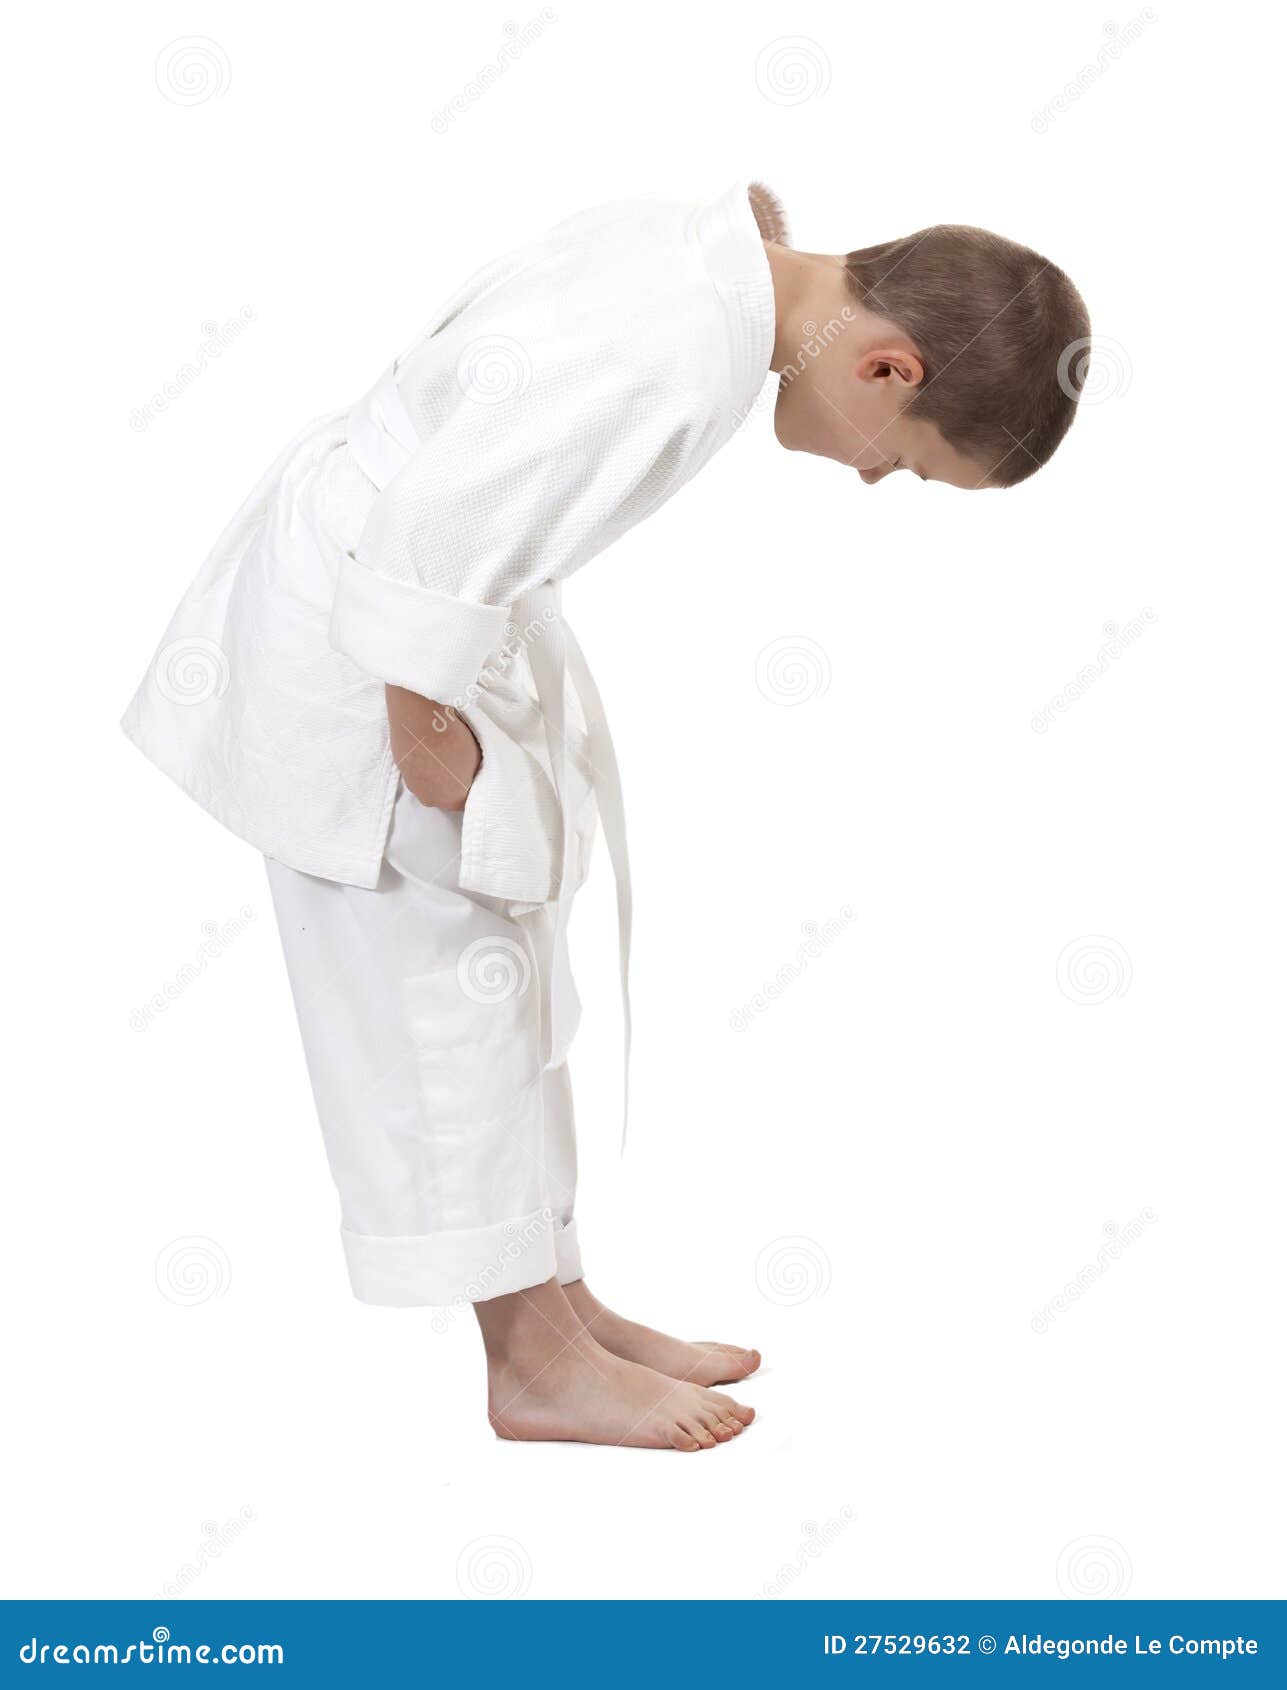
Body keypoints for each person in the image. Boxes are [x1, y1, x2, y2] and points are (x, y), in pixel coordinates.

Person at [122, 181, 1089, 1451]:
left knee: (504, 977)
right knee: (441, 1002)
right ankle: (527, 1363)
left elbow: (631, 255)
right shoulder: (688, 359)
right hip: (372, 639)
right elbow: (429, 528)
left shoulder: (732, 277)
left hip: (428, 626)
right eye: (900, 455)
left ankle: (561, 1303)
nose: (867, 473)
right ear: (887, 361)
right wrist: (423, 741)